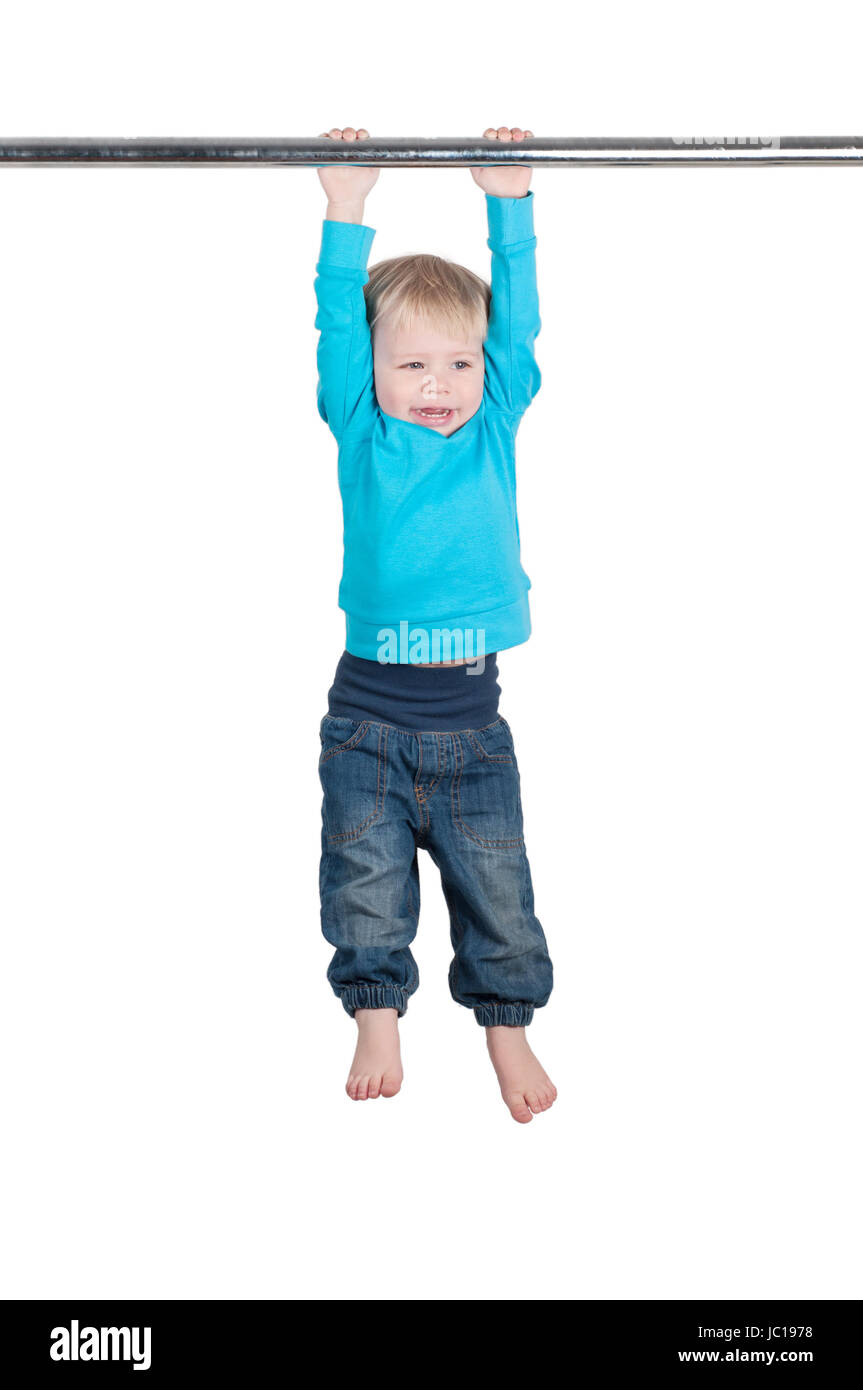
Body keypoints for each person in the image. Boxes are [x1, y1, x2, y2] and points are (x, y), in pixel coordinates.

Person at [314, 125, 556, 1123]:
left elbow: (517, 332)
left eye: (457, 363)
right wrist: (343, 208)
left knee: (496, 888)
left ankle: (507, 1027)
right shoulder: (358, 425)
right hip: (367, 723)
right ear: (372, 374)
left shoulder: (495, 416)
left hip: (471, 731)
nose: (439, 385)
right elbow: (336, 324)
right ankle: (376, 1010)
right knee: (364, 881)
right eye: (412, 365)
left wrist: (508, 203)